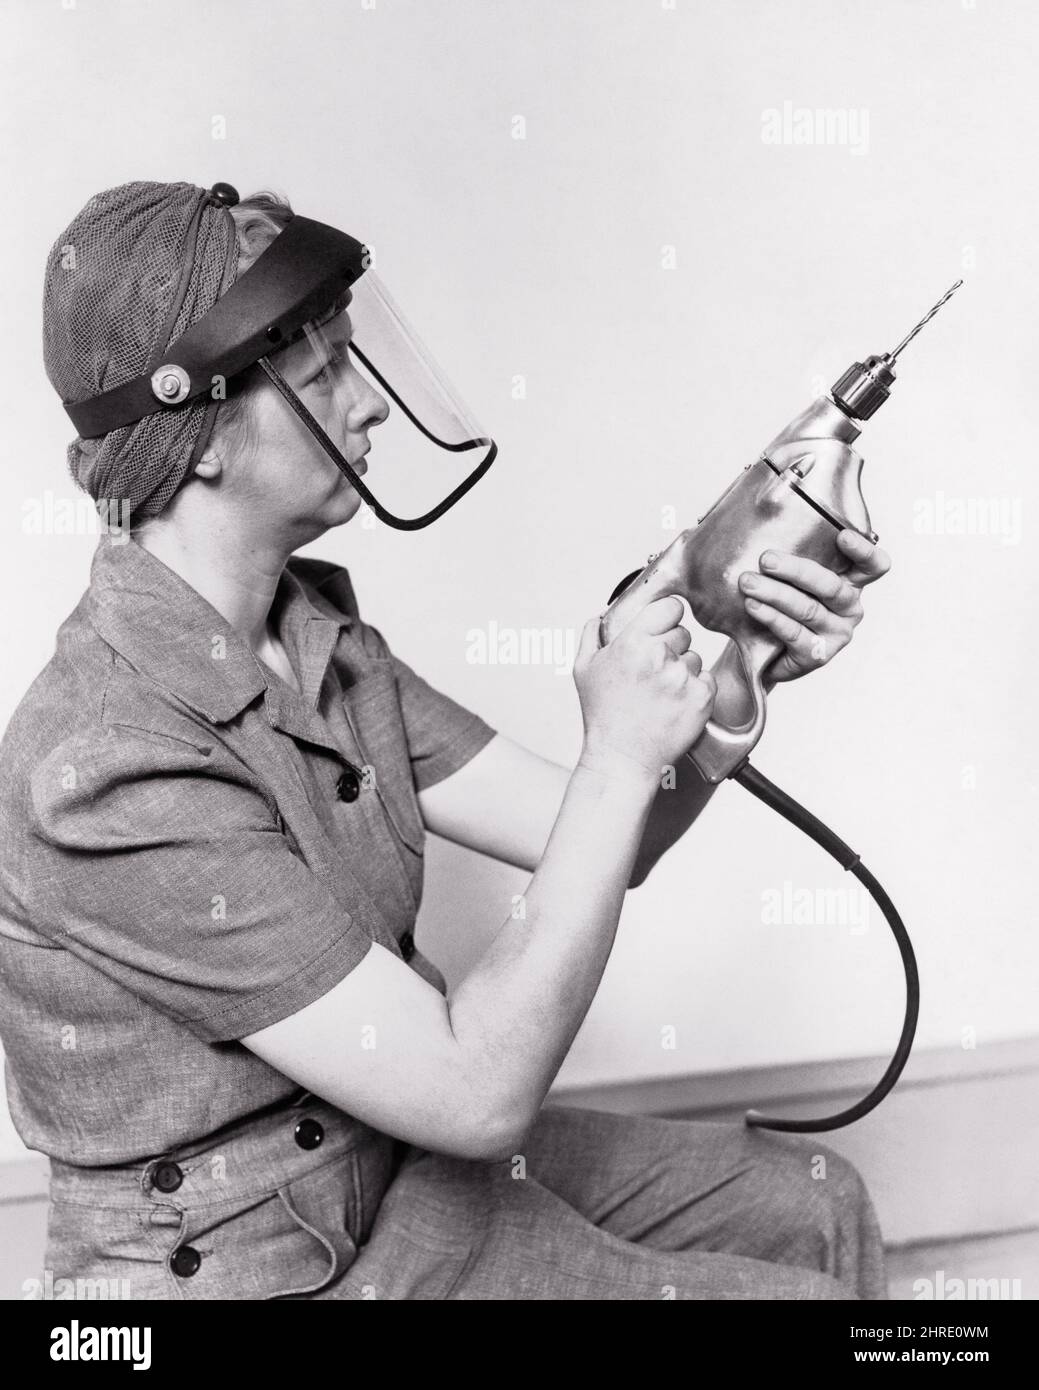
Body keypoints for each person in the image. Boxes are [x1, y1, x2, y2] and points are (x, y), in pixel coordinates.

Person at [0, 181, 892, 1300]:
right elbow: (478, 1094)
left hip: (392, 1171)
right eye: (321, 371)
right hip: (258, 1270)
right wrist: (617, 756)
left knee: (816, 1196)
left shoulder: (317, 641)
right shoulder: (101, 765)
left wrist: (729, 672)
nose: (368, 407)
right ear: (203, 434)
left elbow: (606, 833)